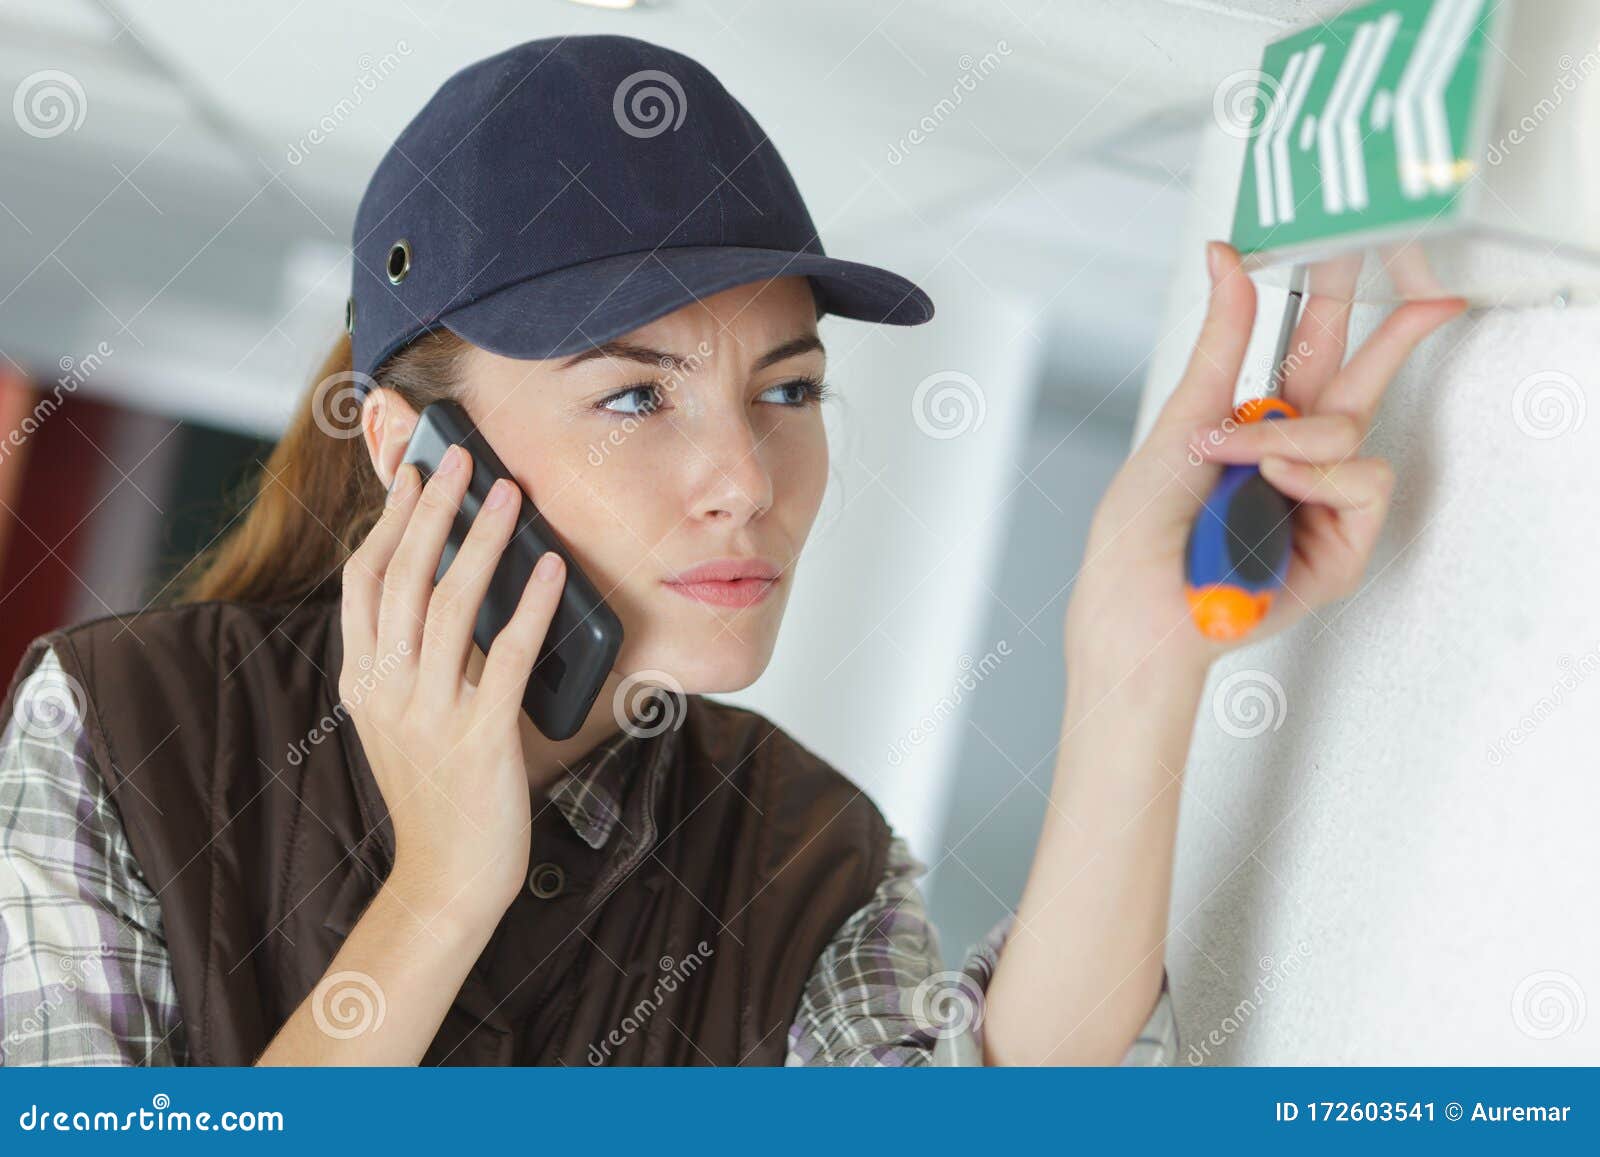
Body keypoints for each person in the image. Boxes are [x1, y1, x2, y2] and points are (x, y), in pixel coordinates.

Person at [0, 34, 1465, 1067]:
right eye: (635, 395)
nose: (744, 479)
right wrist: (446, 883)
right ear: (409, 451)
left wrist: (1133, 652)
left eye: (788, 389)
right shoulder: (127, 732)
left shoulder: (800, 860)